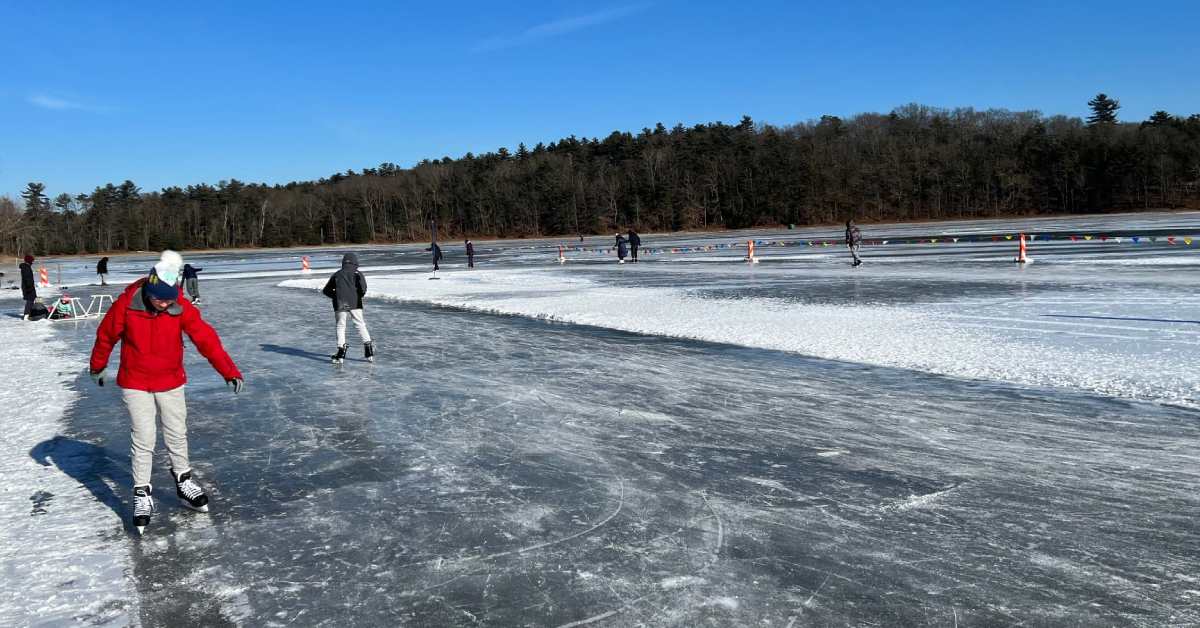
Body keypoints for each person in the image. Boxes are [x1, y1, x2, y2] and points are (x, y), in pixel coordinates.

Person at [88, 250, 243, 535]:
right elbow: (106, 335)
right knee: (144, 437)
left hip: (171, 379)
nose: (164, 304)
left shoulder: (178, 304)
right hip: (135, 382)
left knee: (176, 431)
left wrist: (228, 370)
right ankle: (141, 493)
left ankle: (183, 481)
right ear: (148, 289)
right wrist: (98, 366)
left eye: (169, 299)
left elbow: (205, 338)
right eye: (159, 299)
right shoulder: (127, 304)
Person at [322, 252, 373, 364]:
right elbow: (363, 289)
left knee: (341, 326)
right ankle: (368, 349)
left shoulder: (337, 274)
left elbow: (326, 290)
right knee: (360, 324)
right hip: (355, 303)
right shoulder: (358, 273)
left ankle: (341, 352)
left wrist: (336, 296)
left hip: (340, 303)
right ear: (355, 262)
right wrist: (357, 297)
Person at [20, 254, 36, 320]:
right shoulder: (26, 267)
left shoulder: (26, 267)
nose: (32, 262)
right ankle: (26, 315)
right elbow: (27, 278)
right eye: (32, 261)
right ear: (29, 261)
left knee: (31, 300)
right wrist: (30, 287)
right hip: (28, 287)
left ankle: (29, 314)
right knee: (30, 300)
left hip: (28, 286)